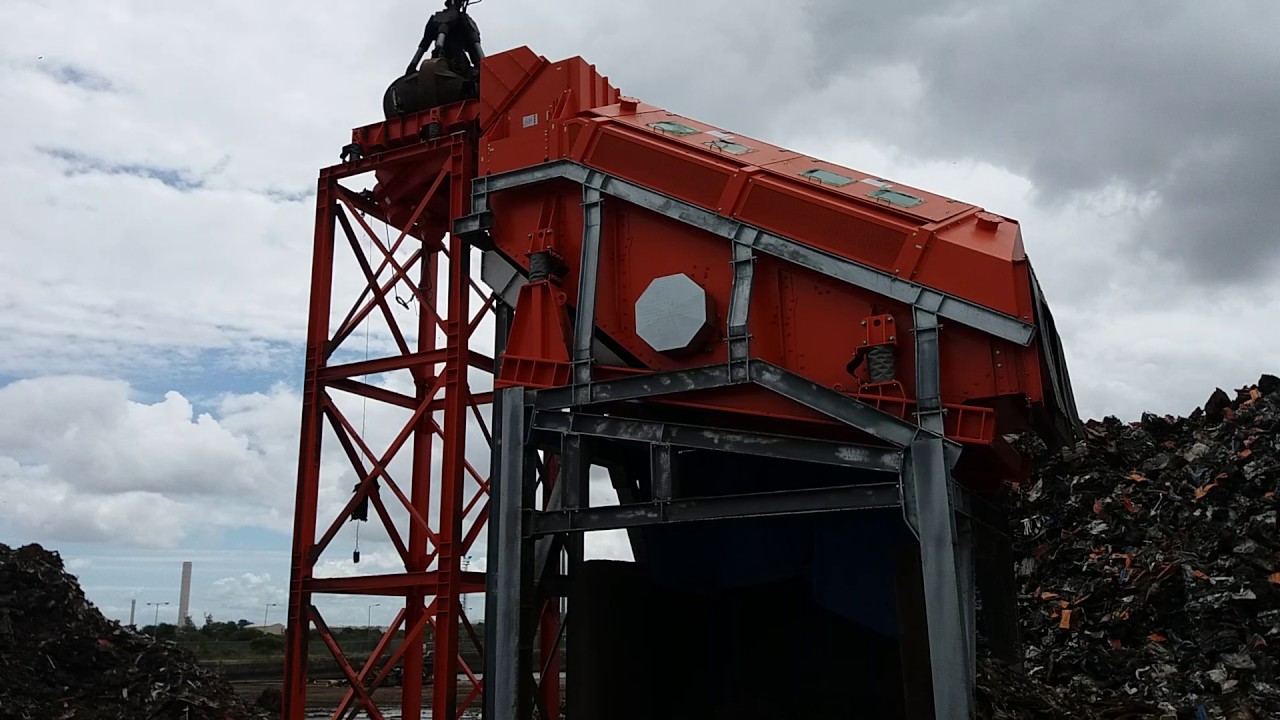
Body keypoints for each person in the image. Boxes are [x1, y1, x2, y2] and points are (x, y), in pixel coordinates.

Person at [405, 0, 485, 80]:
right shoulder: (441, 18)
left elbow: (473, 46)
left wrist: (481, 65)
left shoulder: (465, 21)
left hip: (460, 63)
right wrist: (412, 66)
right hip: (443, 61)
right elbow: (425, 43)